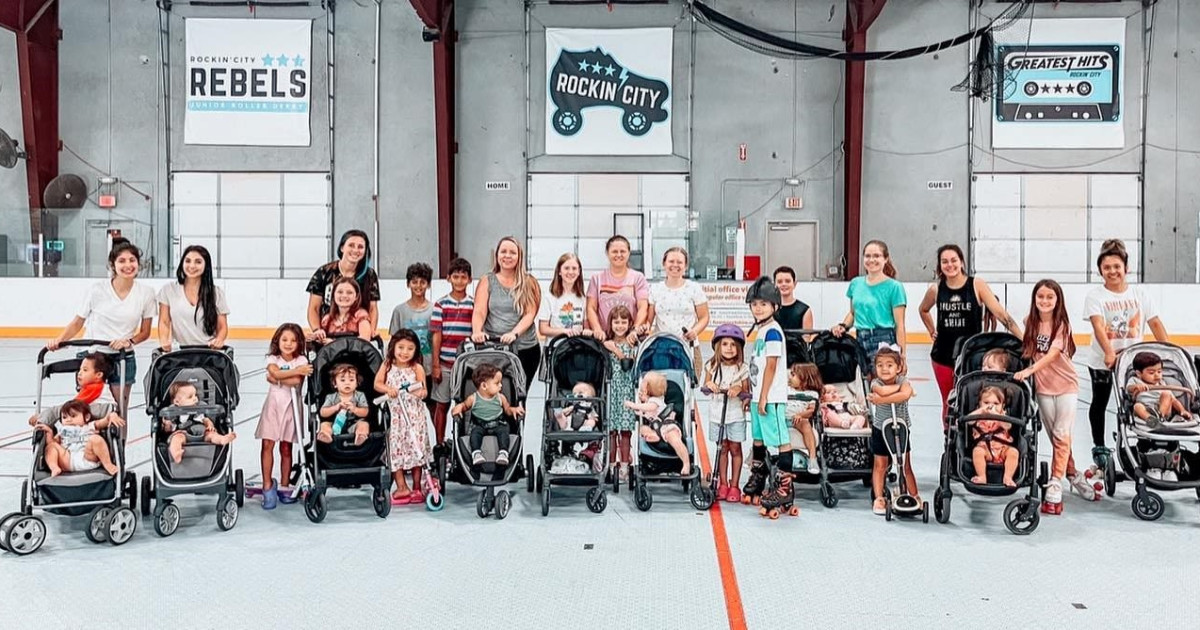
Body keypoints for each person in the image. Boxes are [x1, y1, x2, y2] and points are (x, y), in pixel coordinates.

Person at [1084, 238, 1169, 469]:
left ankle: (1146, 440)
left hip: (1133, 362)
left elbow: (1155, 323)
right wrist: (1109, 352)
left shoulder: (1140, 294)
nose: (1112, 271)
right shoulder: (1096, 296)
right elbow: (1099, 327)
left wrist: (1169, 351)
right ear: (1100, 270)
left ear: (1126, 268)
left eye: (1117, 266)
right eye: (1107, 267)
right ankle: (1099, 446)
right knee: (1100, 401)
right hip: (1103, 361)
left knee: (1137, 400)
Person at [1012, 280, 1093, 512]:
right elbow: (1028, 348)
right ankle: (1073, 474)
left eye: (1050, 297)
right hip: (1043, 388)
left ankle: (1055, 483)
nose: (1045, 301)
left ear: (1058, 300)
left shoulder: (1061, 325)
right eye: (1041, 296)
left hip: (1066, 385)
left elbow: (1052, 355)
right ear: (1034, 299)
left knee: (1061, 433)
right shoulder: (1029, 322)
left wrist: (1029, 371)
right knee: (1056, 438)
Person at [917, 244, 1022, 423]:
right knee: (949, 402)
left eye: (953, 260)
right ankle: (948, 437)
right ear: (940, 265)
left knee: (973, 399)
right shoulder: (936, 289)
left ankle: (972, 435)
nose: (950, 265)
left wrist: (1023, 339)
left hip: (971, 355)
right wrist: (931, 330)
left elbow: (1002, 316)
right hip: (942, 355)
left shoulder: (976, 285)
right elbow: (923, 309)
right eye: (944, 261)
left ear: (961, 262)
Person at [47, 238, 155, 411]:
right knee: (89, 407)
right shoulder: (97, 289)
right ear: (113, 265)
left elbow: (145, 332)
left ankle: (119, 431)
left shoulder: (146, 293)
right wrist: (59, 340)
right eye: (122, 261)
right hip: (92, 355)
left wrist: (129, 341)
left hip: (122, 356)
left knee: (119, 411)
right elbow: (78, 322)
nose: (128, 265)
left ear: (138, 264)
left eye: (132, 260)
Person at [741, 277, 798, 511]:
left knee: (781, 440)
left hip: (771, 397)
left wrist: (764, 396)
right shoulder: (762, 330)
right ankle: (759, 475)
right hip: (759, 396)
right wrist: (753, 395)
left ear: (774, 306)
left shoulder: (773, 331)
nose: (758, 308)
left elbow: (772, 366)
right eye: (754, 304)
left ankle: (785, 488)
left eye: (763, 304)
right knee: (758, 437)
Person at [471, 237, 541, 397]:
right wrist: (477, 331)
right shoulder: (487, 280)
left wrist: (514, 333)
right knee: (494, 394)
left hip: (524, 348)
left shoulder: (529, 282)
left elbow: (530, 314)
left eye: (512, 252)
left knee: (517, 396)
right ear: (497, 255)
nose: (507, 256)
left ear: (519, 256)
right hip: (495, 348)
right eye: (503, 252)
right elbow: (479, 311)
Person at [256, 323, 312, 509]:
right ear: (277, 341)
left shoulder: (302, 359)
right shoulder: (273, 358)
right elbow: (274, 372)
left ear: (299, 343)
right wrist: (291, 372)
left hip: (291, 407)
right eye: (285, 339)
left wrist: (278, 378)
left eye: (293, 340)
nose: (288, 344)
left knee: (286, 447)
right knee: (267, 444)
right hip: (273, 406)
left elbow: (294, 381)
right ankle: (267, 485)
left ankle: (285, 484)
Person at [375, 329, 432, 505]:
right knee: (396, 450)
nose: (404, 352)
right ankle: (401, 487)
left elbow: (424, 390)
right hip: (397, 417)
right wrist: (388, 389)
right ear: (393, 347)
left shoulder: (417, 367)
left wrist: (419, 392)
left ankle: (417, 486)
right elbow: (377, 384)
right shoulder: (387, 365)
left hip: (414, 417)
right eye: (401, 347)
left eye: (410, 348)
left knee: (416, 448)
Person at [832, 240, 907, 372]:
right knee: (865, 381)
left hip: (883, 339)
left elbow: (899, 325)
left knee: (882, 381)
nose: (871, 260)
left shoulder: (895, 287)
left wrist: (902, 356)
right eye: (867, 256)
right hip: (860, 339)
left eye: (876, 256)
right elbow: (853, 313)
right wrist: (843, 326)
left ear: (885, 259)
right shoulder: (856, 283)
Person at [868, 345, 918, 515]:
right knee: (880, 465)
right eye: (880, 365)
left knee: (905, 465)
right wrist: (901, 390)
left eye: (889, 365)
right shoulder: (876, 383)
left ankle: (914, 495)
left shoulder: (903, 380)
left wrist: (881, 400)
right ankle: (879, 498)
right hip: (881, 429)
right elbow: (883, 391)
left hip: (901, 429)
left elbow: (904, 395)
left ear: (898, 368)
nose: (884, 369)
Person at [307, 230, 381, 344]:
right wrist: (317, 330)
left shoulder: (369, 275)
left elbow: (372, 308)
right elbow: (314, 308)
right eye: (351, 245)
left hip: (359, 333)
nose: (355, 250)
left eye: (360, 247)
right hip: (328, 332)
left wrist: (370, 331)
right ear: (342, 247)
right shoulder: (324, 272)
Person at [703, 324, 750, 502]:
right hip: (717, 414)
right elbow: (705, 386)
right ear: (717, 346)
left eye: (733, 345)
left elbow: (746, 392)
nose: (729, 348)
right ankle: (722, 483)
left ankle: (735, 485)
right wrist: (710, 385)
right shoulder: (712, 366)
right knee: (721, 448)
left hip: (735, 414)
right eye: (724, 344)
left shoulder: (742, 368)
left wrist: (738, 389)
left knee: (735, 448)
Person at [430, 257, 474, 445]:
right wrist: (435, 365)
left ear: (469, 280)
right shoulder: (441, 304)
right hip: (445, 364)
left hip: (466, 365)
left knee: (466, 405)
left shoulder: (473, 305)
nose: (459, 281)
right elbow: (436, 335)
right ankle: (440, 443)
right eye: (455, 277)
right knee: (442, 405)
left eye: (463, 277)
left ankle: (464, 443)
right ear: (448, 278)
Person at [157, 245, 229, 351]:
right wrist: (164, 340)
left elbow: (222, 326)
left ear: (206, 265)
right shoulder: (168, 290)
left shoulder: (216, 293)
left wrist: (219, 339)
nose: (192, 266)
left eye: (198, 262)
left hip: (209, 353)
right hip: (179, 353)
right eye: (188, 261)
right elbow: (164, 321)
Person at [452, 364, 524, 467]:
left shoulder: (500, 397)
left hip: (498, 423)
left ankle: (503, 453)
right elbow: (464, 406)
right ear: (484, 386)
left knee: (503, 433)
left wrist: (514, 410)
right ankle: (476, 453)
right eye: (497, 383)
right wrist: (459, 407)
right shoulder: (473, 398)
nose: (501, 385)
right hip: (479, 425)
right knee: (475, 435)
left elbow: (507, 410)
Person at [647, 246, 709, 362]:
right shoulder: (655, 289)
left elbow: (704, 317)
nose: (675, 265)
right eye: (671, 261)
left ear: (685, 266)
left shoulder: (694, 288)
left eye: (679, 262)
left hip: (688, 347)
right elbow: (648, 321)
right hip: (661, 348)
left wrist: (694, 331)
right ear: (664, 264)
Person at [390, 262, 435, 415]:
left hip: (428, 367)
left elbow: (436, 340)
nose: (418, 286)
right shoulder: (399, 311)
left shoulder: (434, 310)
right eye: (414, 282)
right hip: (405, 369)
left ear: (428, 284)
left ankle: (435, 433)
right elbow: (394, 341)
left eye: (423, 282)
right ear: (408, 284)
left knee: (432, 405)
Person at [586, 235, 649, 343]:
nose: (619, 255)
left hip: (630, 340)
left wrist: (634, 330)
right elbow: (591, 308)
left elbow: (643, 307)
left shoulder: (638, 278)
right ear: (607, 253)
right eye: (614, 251)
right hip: (604, 340)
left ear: (628, 253)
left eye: (622, 251)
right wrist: (597, 329)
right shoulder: (597, 279)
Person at [32, 400, 121, 477]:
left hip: (88, 457)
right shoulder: (62, 431)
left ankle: (108, 464)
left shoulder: (90, 426)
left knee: (96, 439)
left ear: (87, 417)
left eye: (73, 416)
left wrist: (112, 416)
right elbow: (52, 444)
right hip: (67, 460)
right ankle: (54, 467)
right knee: (50, 447)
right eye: (64, 417)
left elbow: (104, 421)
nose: (68, 420)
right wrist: (49, 433)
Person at [626, 371, 691, 475]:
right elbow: (643, 412)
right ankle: (653, 435)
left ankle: (686, 463)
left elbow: (648, 408)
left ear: (648, 388)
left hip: (667, 426)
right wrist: (641, 401)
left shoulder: (656, 401)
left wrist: (634, 405)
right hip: (655, 427)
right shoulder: (648, 401)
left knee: (675, 440)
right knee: (642, 428)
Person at [161, 381, 236, 464]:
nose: (195, 398)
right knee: (176, 439)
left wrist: (210, 425)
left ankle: (221, 439)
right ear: (177, 402)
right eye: (190, 397)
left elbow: (205, 419)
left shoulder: (199, 409)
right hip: (183, 434)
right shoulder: (174, 413)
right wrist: (167, 425)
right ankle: (176, 453)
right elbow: (169, 429)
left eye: (195, 395)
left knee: (211, 435)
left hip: (202, 433)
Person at [603, 306, 639, 481]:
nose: (619, 326)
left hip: (626, 392)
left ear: (629, 323)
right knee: (611, 431)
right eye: (616, 322)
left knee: (625, 432)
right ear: (610, 323)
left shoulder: (632, 345)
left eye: (623, 322)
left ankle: (624, 466)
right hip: (611, 392)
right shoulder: (605, 344)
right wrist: (608, 346)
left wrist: (616, 350)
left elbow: (627, 365)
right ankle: (610, 466)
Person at [968, 386, 1017, 487]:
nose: (991, 406)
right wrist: (981, 411)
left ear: (1003, 405)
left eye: (996, 404)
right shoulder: (979, 416)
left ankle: (1008, 477)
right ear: (980, 403)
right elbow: (968, 421)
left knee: (1013, 452)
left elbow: (1008, 426)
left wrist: (997, 415)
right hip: (985, 449)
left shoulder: (1002, 415)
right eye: (986, 403)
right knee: (977, 451)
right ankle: (982, 476)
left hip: (1003, 448)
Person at [1127, 351, 1192, 428]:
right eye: (1151, 373)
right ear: (1139, 373)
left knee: (1167, 394)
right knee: (1137, 406)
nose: (1157, 375)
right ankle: (1150, 419)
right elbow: (1128, 388)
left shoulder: (1162, 383)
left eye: (1159, 372)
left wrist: (1182, 410)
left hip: (1162, 409)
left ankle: (1160, 417)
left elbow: (1174, 400)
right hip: (1146, 408)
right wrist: (1136, 386)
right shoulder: (1135, 380)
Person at [538, 253, 591, 338]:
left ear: (579, 272)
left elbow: (585, 326)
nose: (570, 272)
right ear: (559, 271)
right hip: (557, 345)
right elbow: (543, 329)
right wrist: (564, 331)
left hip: (577, 344)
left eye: (574, 268)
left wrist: (587, 331)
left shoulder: (583, 298)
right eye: (566, 268)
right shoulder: (549, 297)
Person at [316, 363, 370, 445]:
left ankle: (361, 436)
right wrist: (335, 407)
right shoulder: (331, 397)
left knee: (364, 424)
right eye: (343, 380)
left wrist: (355, 409)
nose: (347, 383)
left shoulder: (359, 395)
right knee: (324, 424)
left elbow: (365, 412)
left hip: (354, 425)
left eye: (351, 380)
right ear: (335, 384)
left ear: (357, 383)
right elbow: (323, 412)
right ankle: (325, 435)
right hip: (335, 424)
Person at [786, 363, 823, 474]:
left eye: (793, 375)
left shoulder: (812, 394)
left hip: (797, 420)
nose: (790, 377)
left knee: (806, 424)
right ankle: (756, 452)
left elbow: (811, 410)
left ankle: (812, 458)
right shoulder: (786, 389)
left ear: (804, 379)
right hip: (781, 418)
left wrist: (801, 415)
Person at [315, 277, 372, 341]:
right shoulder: (327, 319)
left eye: (349, 292)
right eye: (340, 292)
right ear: (333, 295)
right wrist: (317, 335)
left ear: (356, 296)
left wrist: (334, 343)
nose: (344, 295)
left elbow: (364, 341)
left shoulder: (361, 316)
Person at [773, 266, 814, 331]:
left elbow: (807, 336)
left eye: (787, 281)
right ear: (774, 285)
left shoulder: (805, 310)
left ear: (794, 284)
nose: (784, 284)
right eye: (780, 282)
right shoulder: (769, 309)